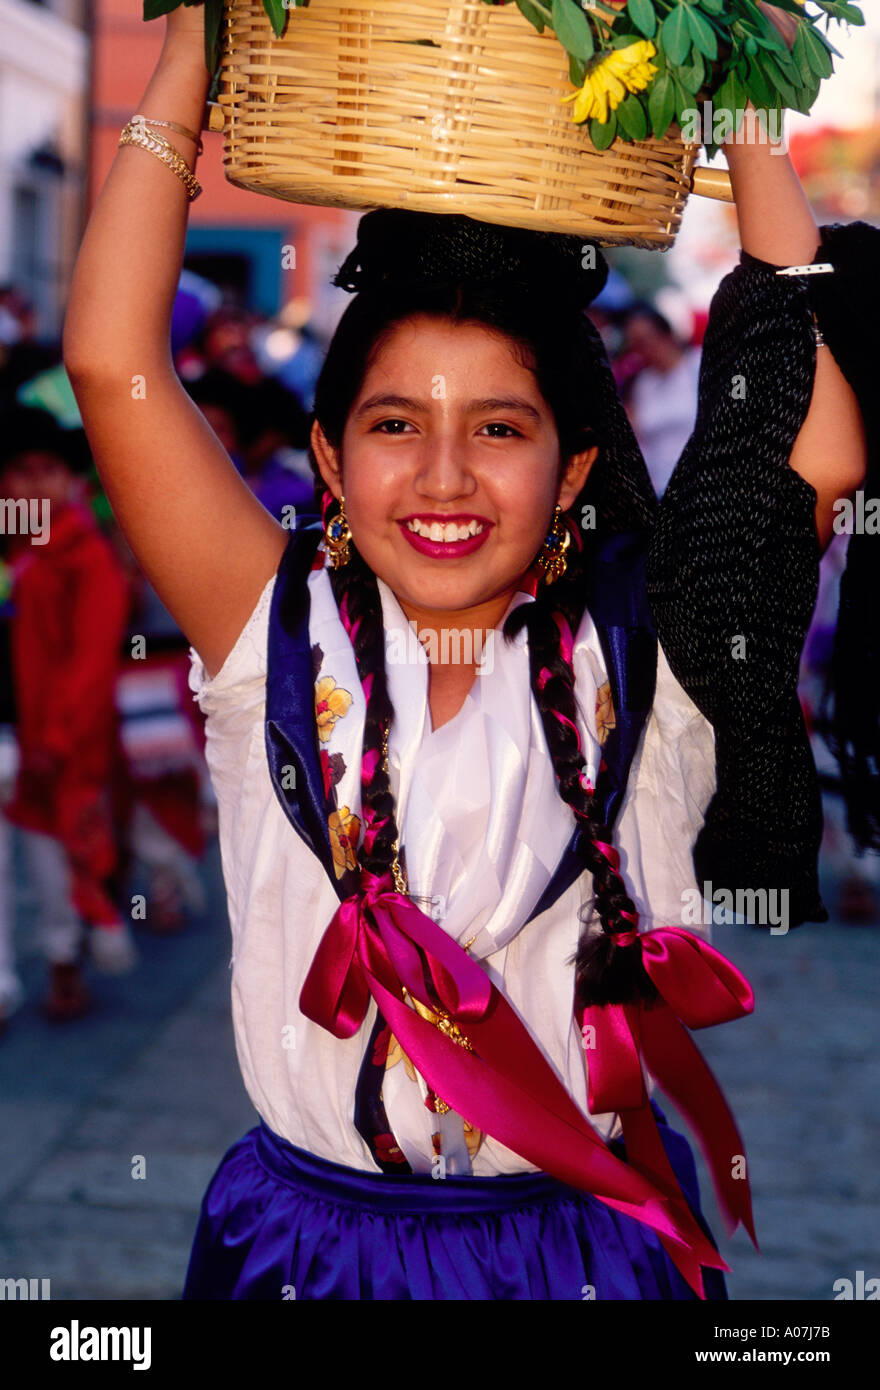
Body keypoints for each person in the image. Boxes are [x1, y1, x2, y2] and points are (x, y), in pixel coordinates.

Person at [62, 4, 871, 1300]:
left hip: (583, 1251)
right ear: (330, 458)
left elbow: (813, 452)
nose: (443, 475)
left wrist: (749, 110)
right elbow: (114, 365)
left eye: (500, 427)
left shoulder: (651, 675)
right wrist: (195, 50)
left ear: (577, 466)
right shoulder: (275, 635)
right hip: (303, 1250)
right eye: (394, 422)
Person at [0, 407, 137, 1021]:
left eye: (46, 470)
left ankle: (64, 962)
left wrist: (56, 737)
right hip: (13, 727)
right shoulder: (15, 547)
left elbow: (90, 660)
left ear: (71, 478)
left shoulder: (84, 554)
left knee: (55, 860)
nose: (32, 485)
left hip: (56, 739)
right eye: (19, 472)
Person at [623, 303, 702, 498]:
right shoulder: (643, 384)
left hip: (701, 484)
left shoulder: (699, 366)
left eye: (645, 340)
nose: (643, 350)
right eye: (635, 344)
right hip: (661, 491)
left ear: (666, 334)